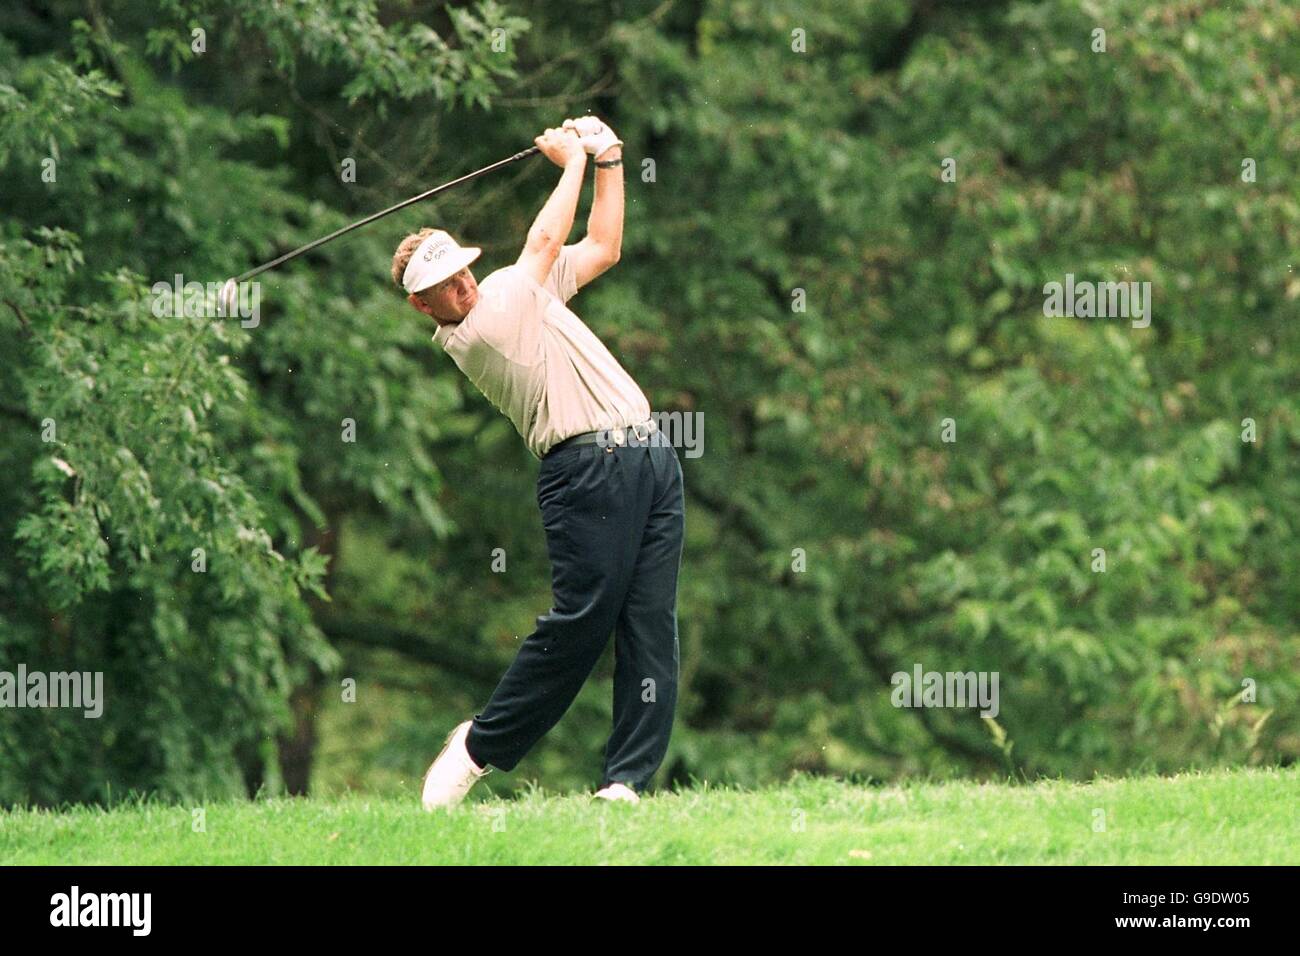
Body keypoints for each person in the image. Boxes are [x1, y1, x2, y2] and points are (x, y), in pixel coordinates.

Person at [391, 117, 685, 810]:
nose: (459, 284)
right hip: (586, 472)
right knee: (582, 622)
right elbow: (545, 239)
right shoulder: (476, 330)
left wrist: (609, 158)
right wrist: (571, 162)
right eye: (443, 282)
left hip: (649, 456)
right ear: (421, 304)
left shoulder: (508, 291)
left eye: (460, 268)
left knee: (651, 623)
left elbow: (603, 247)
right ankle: (477, 747)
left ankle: (625, 782)